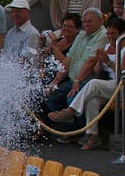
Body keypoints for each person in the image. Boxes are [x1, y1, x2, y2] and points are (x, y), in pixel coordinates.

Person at [49, 15, 123, 149]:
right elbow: (99, 72)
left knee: (94, 83)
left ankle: (70, 111)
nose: (111, 36)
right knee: (92, 99)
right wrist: (99, 63)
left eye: (114, 34)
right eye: (109, 33)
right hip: (111, 84)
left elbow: (122, 73)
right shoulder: (106, 46)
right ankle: (92, 135)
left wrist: (108, 61)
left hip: (121, 85)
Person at [41, 8, 106, 117]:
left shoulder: (103, 35)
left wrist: (77, 81)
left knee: (71, 99)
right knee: (50, 96)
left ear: (100, 21)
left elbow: (91, 62)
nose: (86, 24)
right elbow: (69, 59)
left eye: (90, 21)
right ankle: (67, 129)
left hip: (88, 80)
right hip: (72, 79)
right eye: (84, 21)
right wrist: (55, 82)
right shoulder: (81, 35)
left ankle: (78, 131)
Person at [0, 0, 41, 66]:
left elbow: (28, 62)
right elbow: (4, 56)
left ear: (27, 13)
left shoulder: (32, 33)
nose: (14, 14)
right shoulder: (10, 33)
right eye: (13, 11)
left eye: (18, 11)